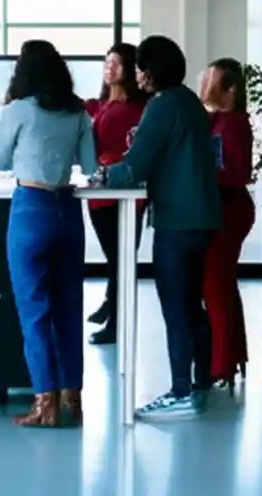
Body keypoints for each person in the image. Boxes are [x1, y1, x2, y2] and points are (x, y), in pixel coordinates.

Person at [101, 35, 221, 417]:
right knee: (192, 303)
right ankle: (200, 384)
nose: (136, 75)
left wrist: (101, 176)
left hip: (178, 219)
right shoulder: (188, 101)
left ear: (152, 71)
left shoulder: (162, 105)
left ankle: (180, 391)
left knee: (175, 306)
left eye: (139, 68)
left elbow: (136, 165)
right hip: (202, 216)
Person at [0, 40, 97, 428]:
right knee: (69, 307)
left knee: (34, 310)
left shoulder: (18, 110)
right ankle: (72, 398)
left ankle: (44, 403)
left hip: (31, 209)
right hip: (68, 210)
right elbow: (90, 165)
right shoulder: (78, 112)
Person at [84, 43, 148, 345]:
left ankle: (116, 319)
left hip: (124, 192)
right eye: (107, 61)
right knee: (116, 259)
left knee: (120, 260)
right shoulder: (102, 105)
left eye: (117, 63)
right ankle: (112, 308)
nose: (110, 67)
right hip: (100, 193)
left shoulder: (137, 110)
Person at [198, 58, 255, 391]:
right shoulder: (215, 119)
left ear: (230, 89)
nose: (204, 86)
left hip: (229, 209)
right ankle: (232, 355)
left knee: (215, 286)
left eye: (212, 81)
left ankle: (221, 365)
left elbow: (239, 172)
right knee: (222, 285)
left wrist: (203, 176)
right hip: (219, 206)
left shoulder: (234, 124)